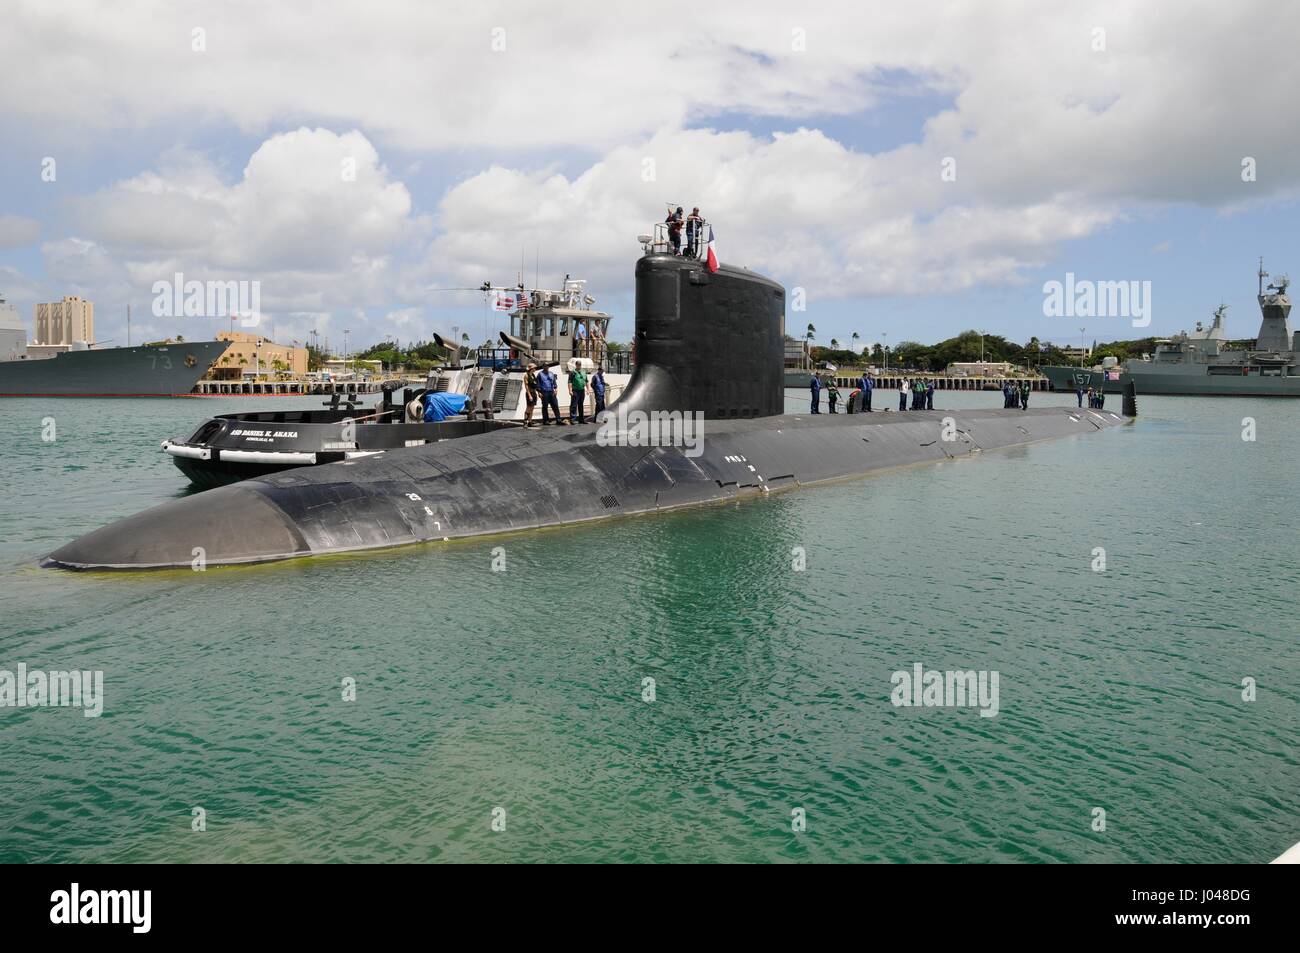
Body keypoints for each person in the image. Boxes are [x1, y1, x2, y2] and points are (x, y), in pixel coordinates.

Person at [523, 363, 539, 427]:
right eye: (534, 368)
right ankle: (525, 422)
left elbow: (535, 385)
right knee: (528, 408)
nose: (535, 369)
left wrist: (537, 393)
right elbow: (526, 387)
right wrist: (529, 395)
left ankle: (530, 421)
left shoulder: (533, 375)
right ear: (531, 369)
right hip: (529, 393)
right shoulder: (526, 375)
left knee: (532, 408)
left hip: (534, 393)